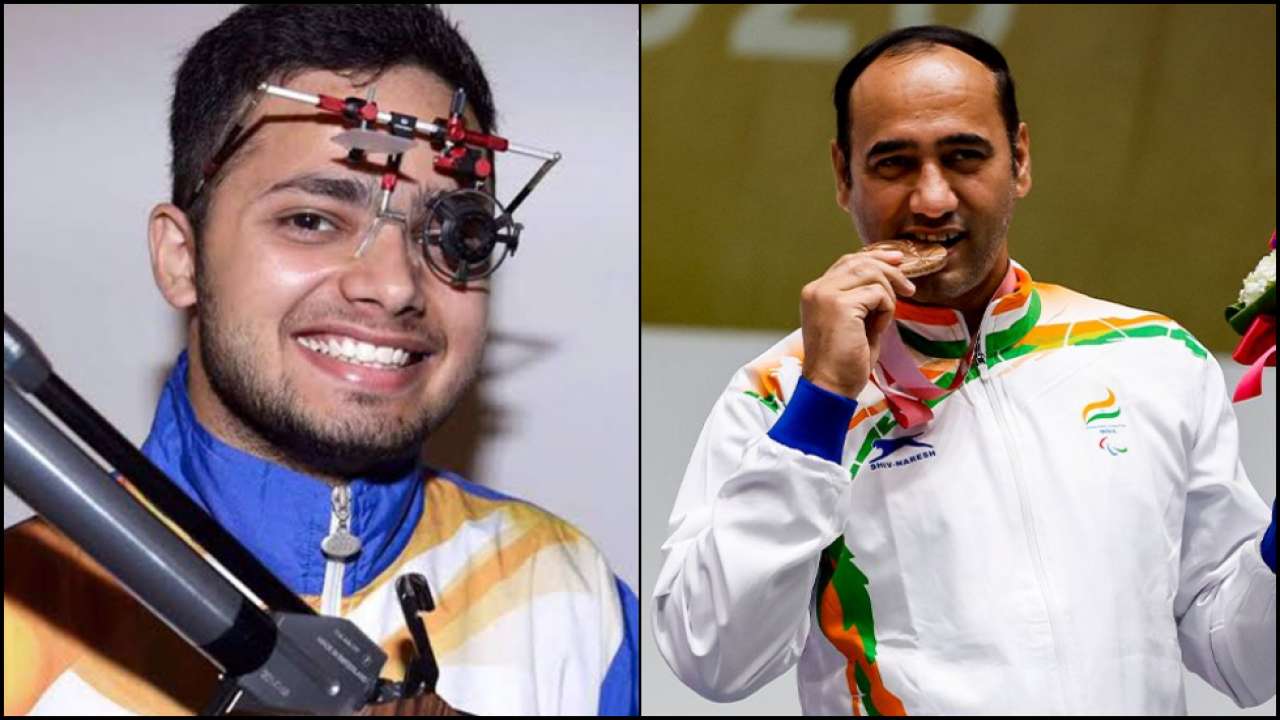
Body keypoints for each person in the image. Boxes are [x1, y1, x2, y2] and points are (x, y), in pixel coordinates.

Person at [4, 5, 636, 715]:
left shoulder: (576, 604)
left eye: (456, 235)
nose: (395, 285)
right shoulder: (19, 612)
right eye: (311, 220)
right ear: (182, 259)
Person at [651, 24, 1275, 715]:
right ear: (842, 174)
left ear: (1021, 159)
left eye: (964, 156)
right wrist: (825, 399)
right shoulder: (779, 392)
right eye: (892, 162)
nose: (932, 200)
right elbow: (713, 657)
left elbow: (1243, 656)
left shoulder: (1154, 356)